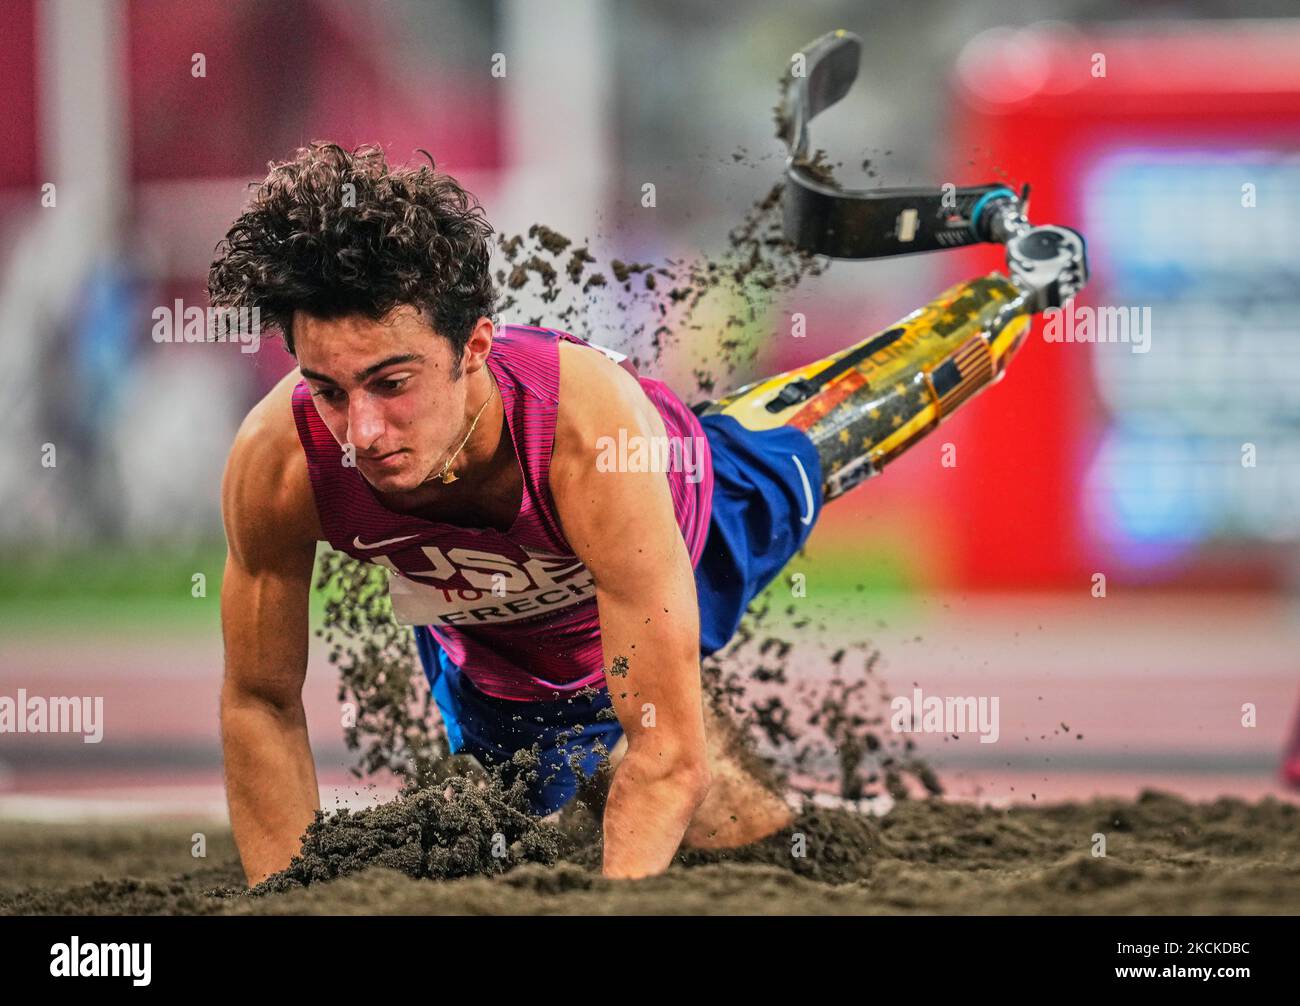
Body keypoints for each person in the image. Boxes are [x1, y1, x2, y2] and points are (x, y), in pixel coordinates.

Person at [210, 142, 1036, 885]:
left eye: (392, 384)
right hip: (506, 659)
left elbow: (666, 751)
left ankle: (1029, 281)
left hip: (698, 521)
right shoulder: (280, 460)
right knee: (731, 838)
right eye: (327, 390)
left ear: (474, 349)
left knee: (871, 408)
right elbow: (260, 703)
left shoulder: (584, 430)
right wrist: (284, 906)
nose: (360, 432)